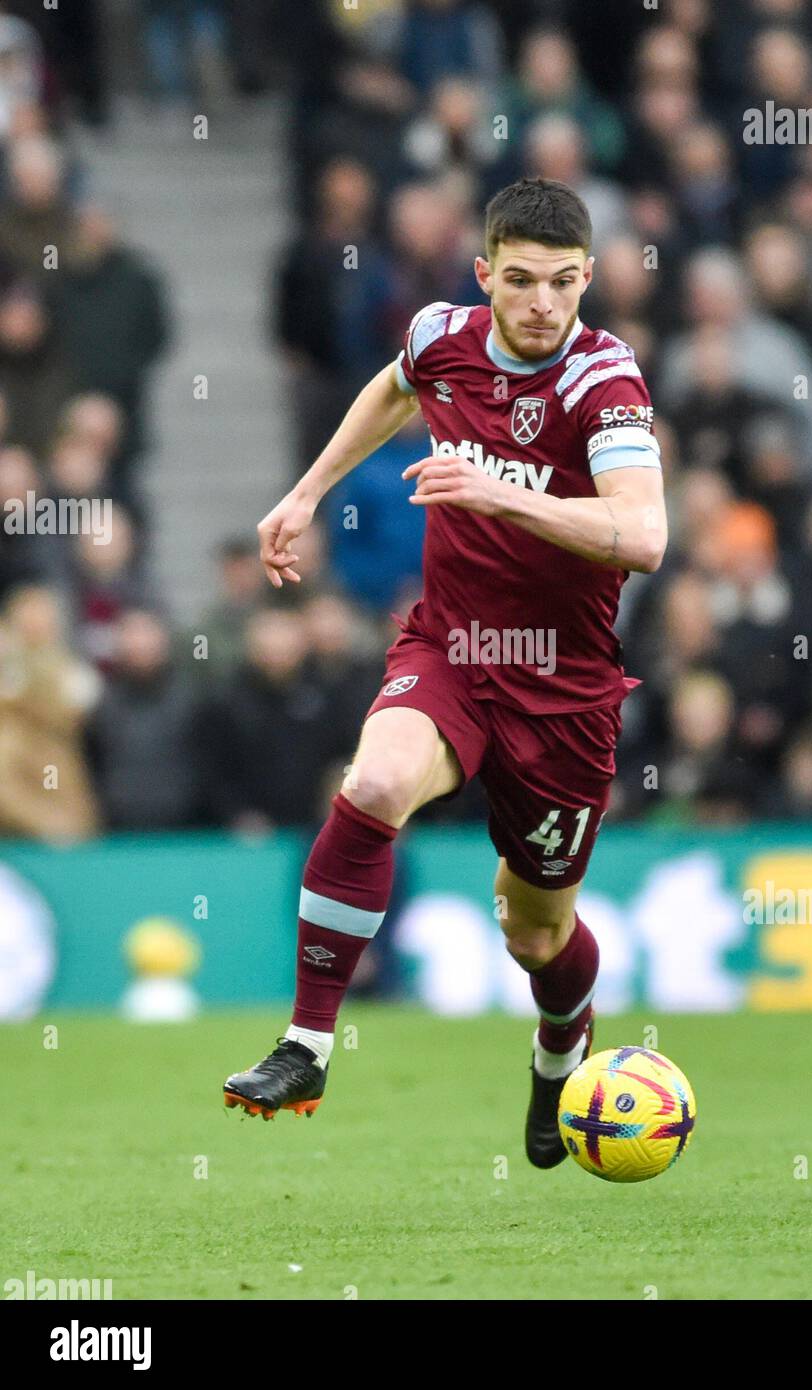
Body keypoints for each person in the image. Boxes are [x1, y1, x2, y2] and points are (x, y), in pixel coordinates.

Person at [223, 177, 667, 1170]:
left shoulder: (604, 383)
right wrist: (304, 493)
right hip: (453, 649)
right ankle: (306, 1045)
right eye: (519, 280)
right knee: (373, 781)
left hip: (563, 687)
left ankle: (560, 1054)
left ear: (588, 278)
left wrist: (501, 493)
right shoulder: (440, 337)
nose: (542, 303)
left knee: (535, 930)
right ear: (484, 276)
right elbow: (393, 386)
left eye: (562, 283)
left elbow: (641, 535)